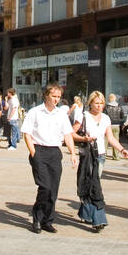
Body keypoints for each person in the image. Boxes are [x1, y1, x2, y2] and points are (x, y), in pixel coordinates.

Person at [22, 82, 79, 233]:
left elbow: (67, 134)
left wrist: (73, 153)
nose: (56, 99)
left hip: (55, 152)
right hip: (39, 150)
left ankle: (47, 220)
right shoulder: (35, 112)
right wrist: (33, 152)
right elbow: (26, 133)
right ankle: (37, 218)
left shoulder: (61, 113)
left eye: (59, 97)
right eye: (54, 96)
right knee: (45, 187)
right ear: (46, 95)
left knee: (53, 189)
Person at [75, 91, 128, 232]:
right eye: (96, 103)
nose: (99, 106)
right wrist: (84, 139)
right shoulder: (83, 116)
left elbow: (110, 138)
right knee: (94, 186)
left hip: (100, 155)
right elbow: (70, 133)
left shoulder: (106, 118)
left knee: (92, 183)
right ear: (90, 103)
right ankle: (98, 219)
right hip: (87, 155)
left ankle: (85, 213)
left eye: (101, 103)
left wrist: (121, 149)